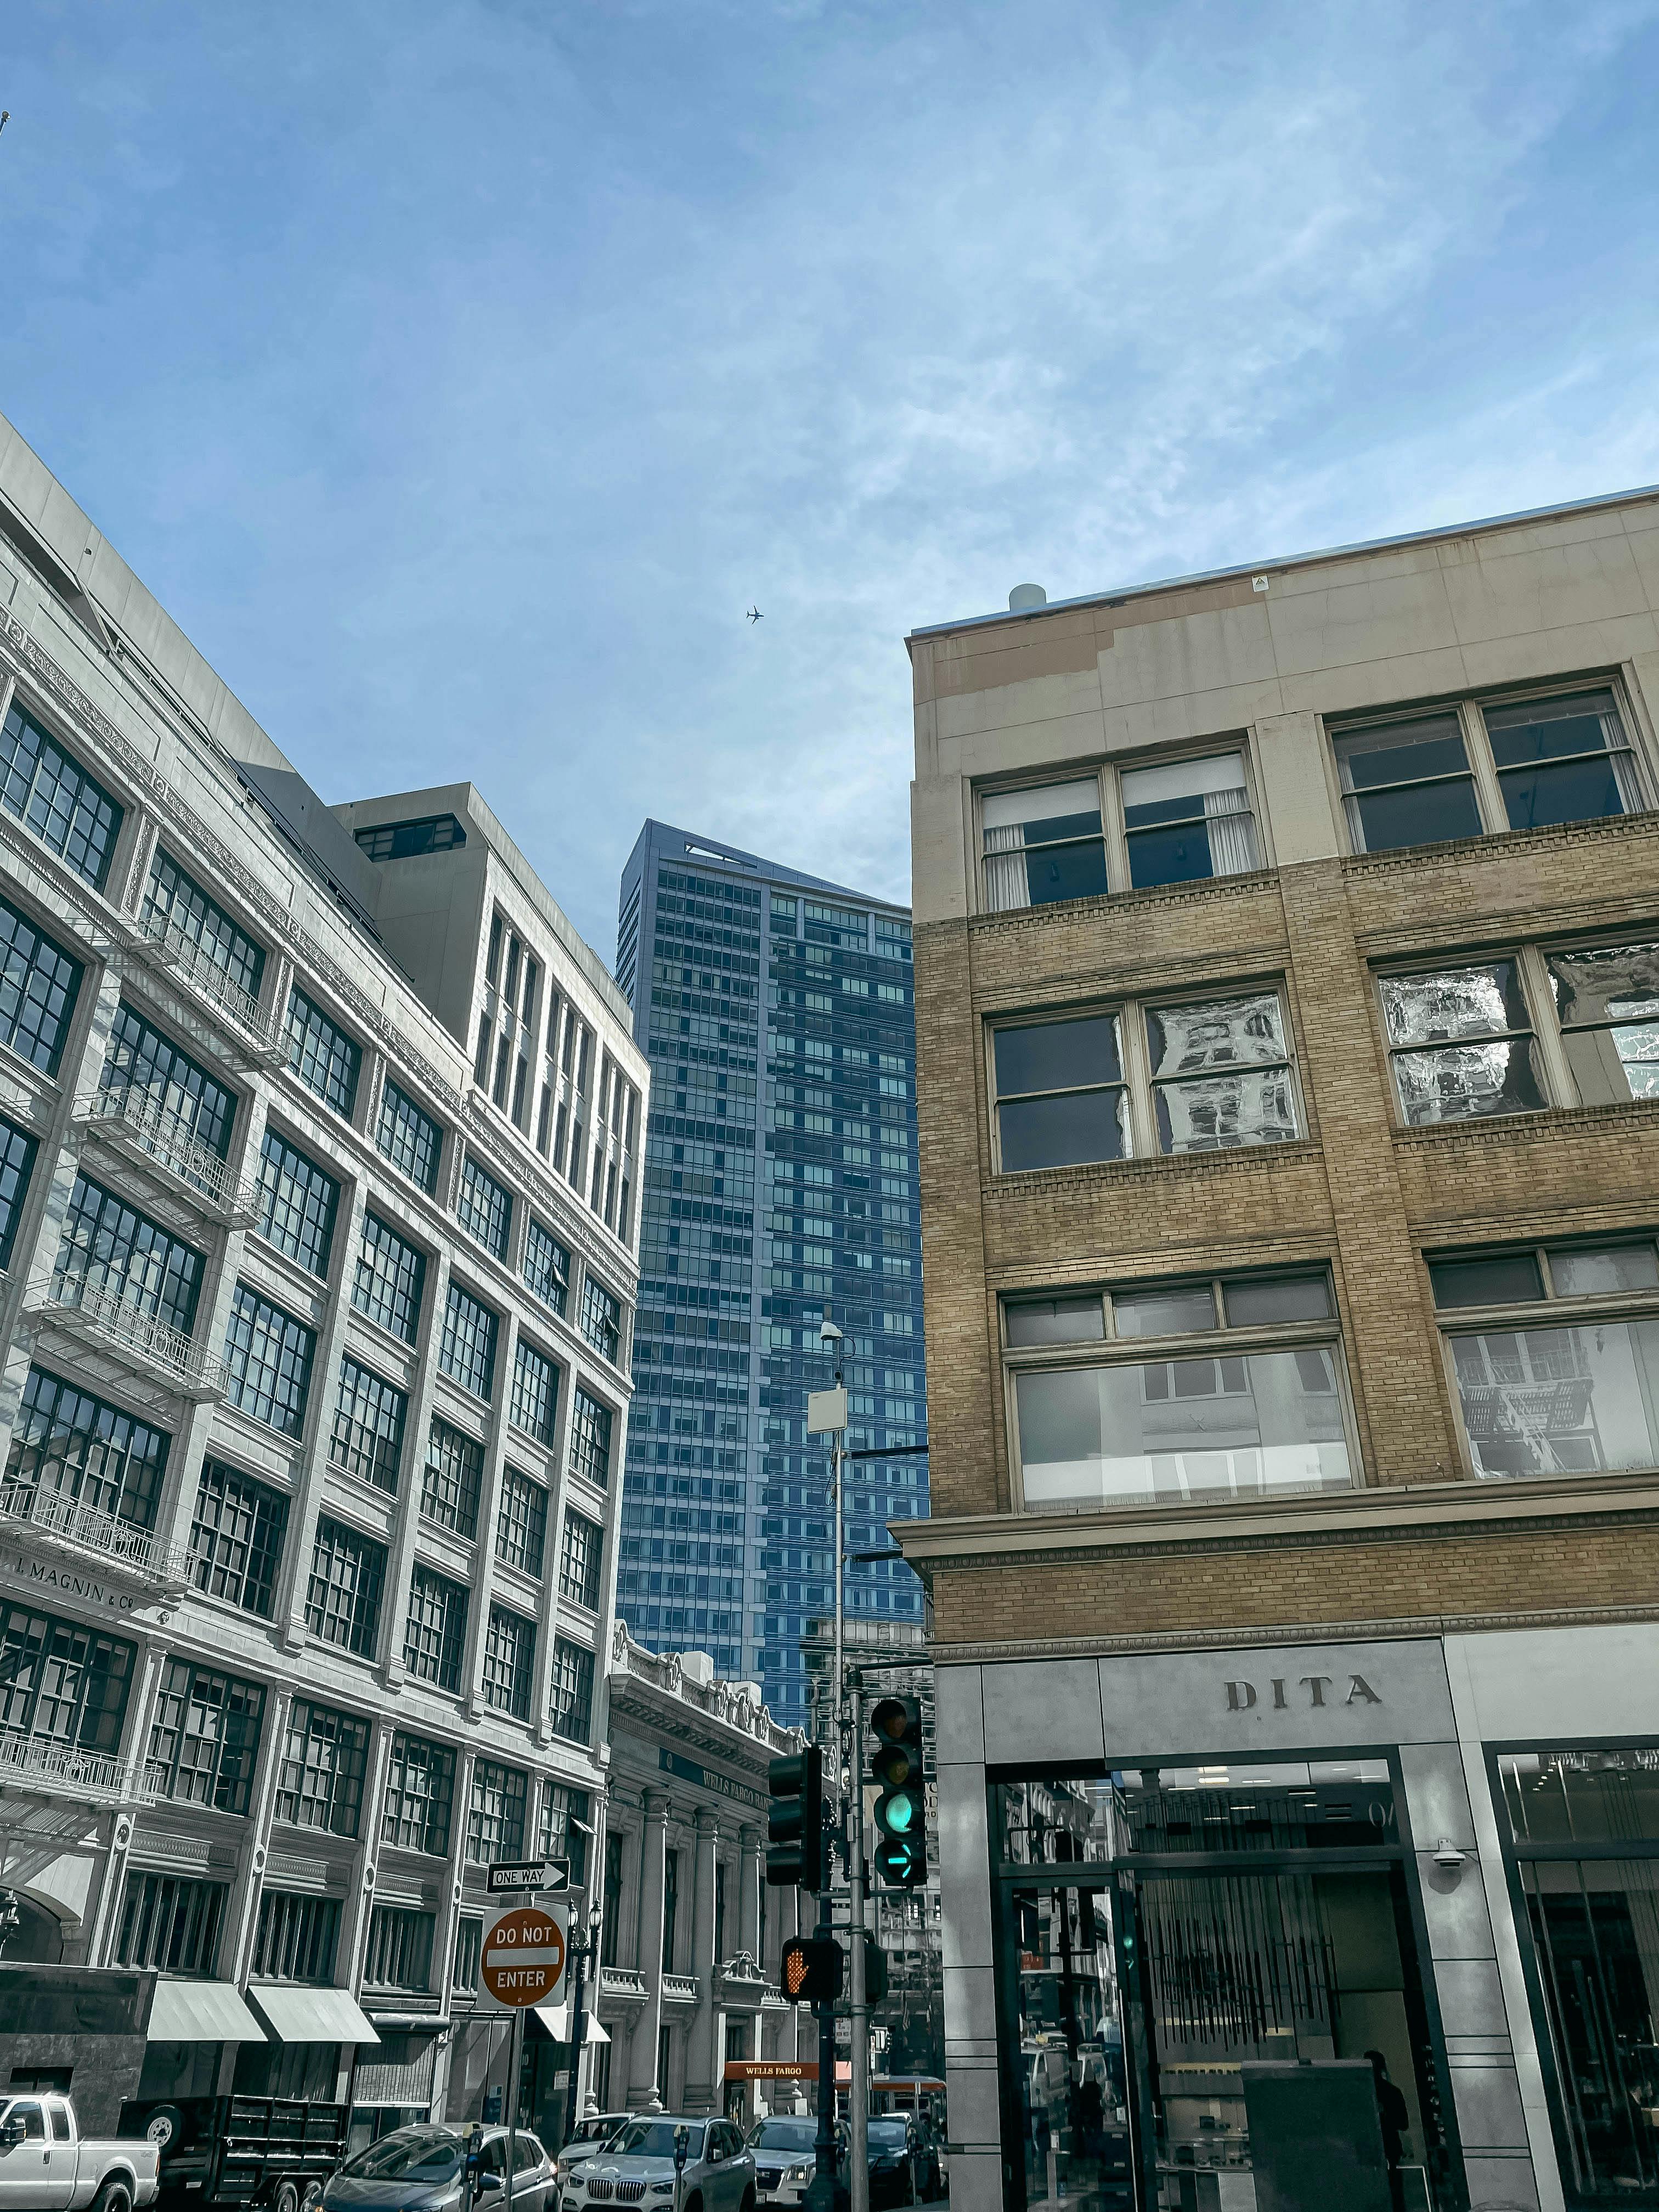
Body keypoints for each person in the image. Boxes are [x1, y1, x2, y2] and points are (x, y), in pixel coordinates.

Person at [1365, 2050, 1409, 2212]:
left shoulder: (1369, 2092)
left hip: (1380, 2151)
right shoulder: (1391, 2092)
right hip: (1382, 2150)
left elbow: (1403, 2123)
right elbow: (1403, 2124)